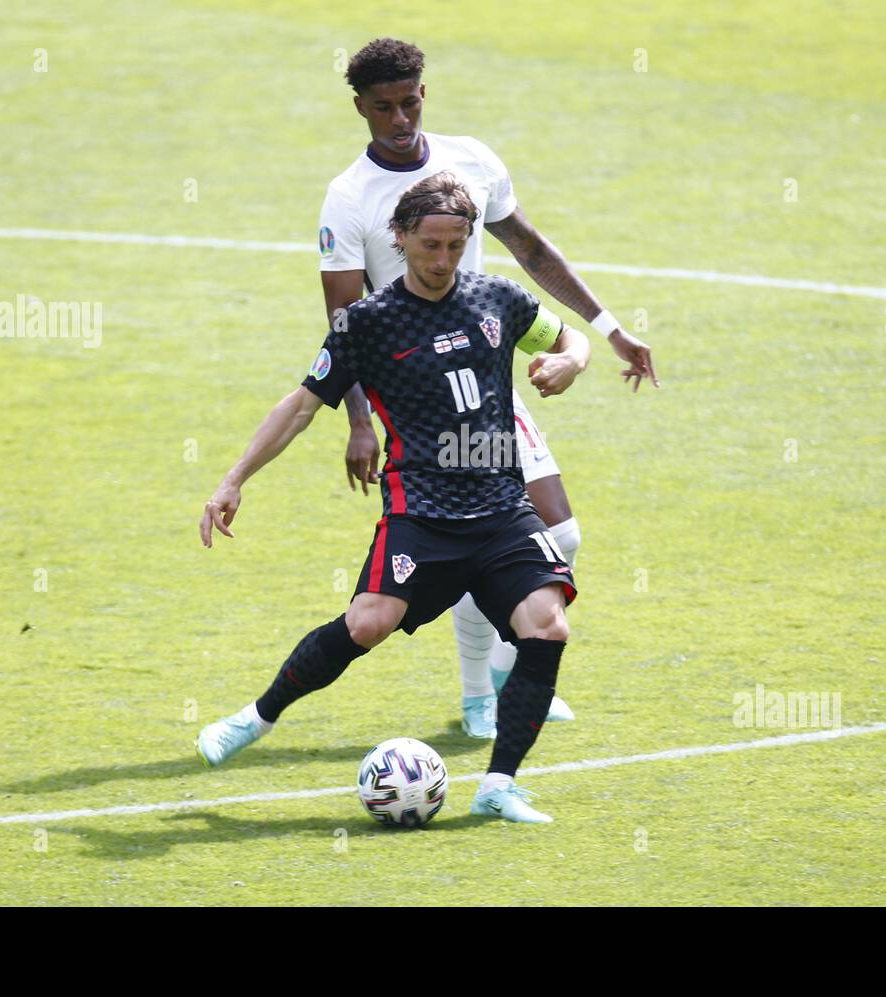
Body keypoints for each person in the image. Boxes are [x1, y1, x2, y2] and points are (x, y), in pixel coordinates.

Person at [195, 173, 591, 823]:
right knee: (368, 623)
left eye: (456, 245)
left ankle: (498, 784)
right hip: (422, 513)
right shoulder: (369, 324)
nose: (442, 260)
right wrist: (234, 478)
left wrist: (572, 362)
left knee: (546, 623)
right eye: (429, 244)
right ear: (400, 238)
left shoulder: (498, 298)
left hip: (500, 510)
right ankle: (253, 718)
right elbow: (301, 405)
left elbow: (570, 338)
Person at [318, 37, 658, 738]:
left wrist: (609, 328)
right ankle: (482, 697)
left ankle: (504, 675)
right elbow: (343, 321)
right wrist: (357, 421)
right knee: (474, 542)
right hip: (418, 400)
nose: (401, 118)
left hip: (488, 385)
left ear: (423, 94)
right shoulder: (348, 199)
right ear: (360, 109)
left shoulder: (469, 161)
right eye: (383, 108)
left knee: (559, 531)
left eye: (410, 102)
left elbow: (530, 249)